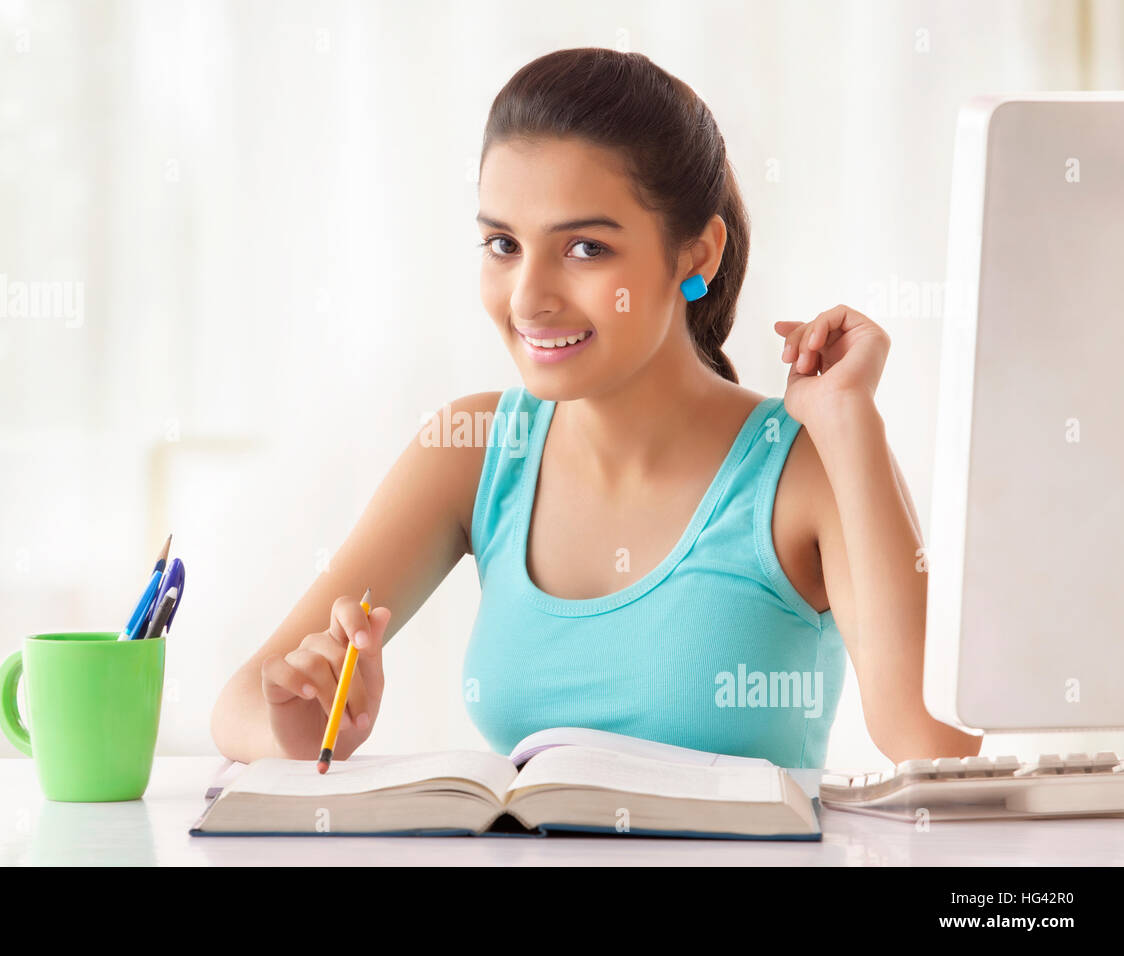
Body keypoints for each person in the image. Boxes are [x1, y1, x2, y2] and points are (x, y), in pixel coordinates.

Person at [210, 47, 982, 768]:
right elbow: (242, 703)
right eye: (504, 245)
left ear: (697, 254)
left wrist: (850, 422)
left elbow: (934, 745)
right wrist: (296, 727)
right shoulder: (473, 448)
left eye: (584, 249)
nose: (529, 298)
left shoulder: (804, 463)